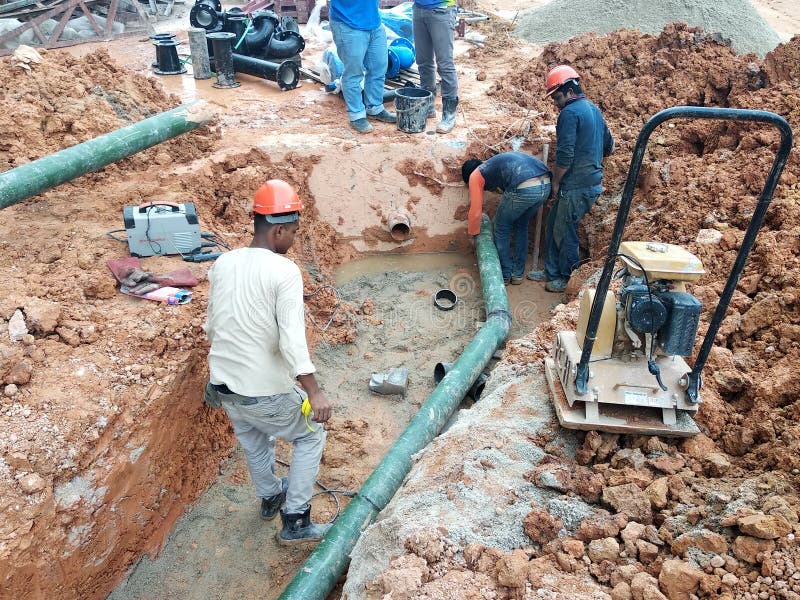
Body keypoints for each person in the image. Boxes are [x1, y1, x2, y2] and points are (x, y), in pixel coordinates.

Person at [203, 179, 333, 545]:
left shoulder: (224, 262)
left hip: (224, 386)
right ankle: (296, 520)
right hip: (263, 390)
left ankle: (271, 495)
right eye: (293, 232)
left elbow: (212, 326)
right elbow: (292, 340)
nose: (292, 238)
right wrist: (314, 392)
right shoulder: (283, 271)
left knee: (254, 440)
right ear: (278, 231)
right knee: (311, 434)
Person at [528, 65, 615, 293]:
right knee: (553, 224)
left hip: (577, 186)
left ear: (569, 91)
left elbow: (565, 154)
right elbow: (609, 145)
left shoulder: (569, 114)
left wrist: (556, 182)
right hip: (589, 183)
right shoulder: (593, 109)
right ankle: (551, 271)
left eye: (557, 97)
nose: (556, 104)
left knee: (564, 231)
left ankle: (567, 278)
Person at [462, 152, 551, 284]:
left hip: (525, 187)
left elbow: (475, 211)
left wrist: (472, 235)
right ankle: (517, 274)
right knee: (521, 225)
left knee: (500, 226)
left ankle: (504, 274)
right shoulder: (493, 166)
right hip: (545, 185)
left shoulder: (475, 175)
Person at [330, 0, 396, 133]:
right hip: (348, 23)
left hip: (373, 22)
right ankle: (356, 115)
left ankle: (375, 108)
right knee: (353, 72)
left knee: (379, 67)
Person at [413, 0, 458, 133]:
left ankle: (449, 114)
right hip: (419, 8)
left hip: (441, 9)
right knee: (423, 61)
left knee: (445, 64)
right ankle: (428, 106)